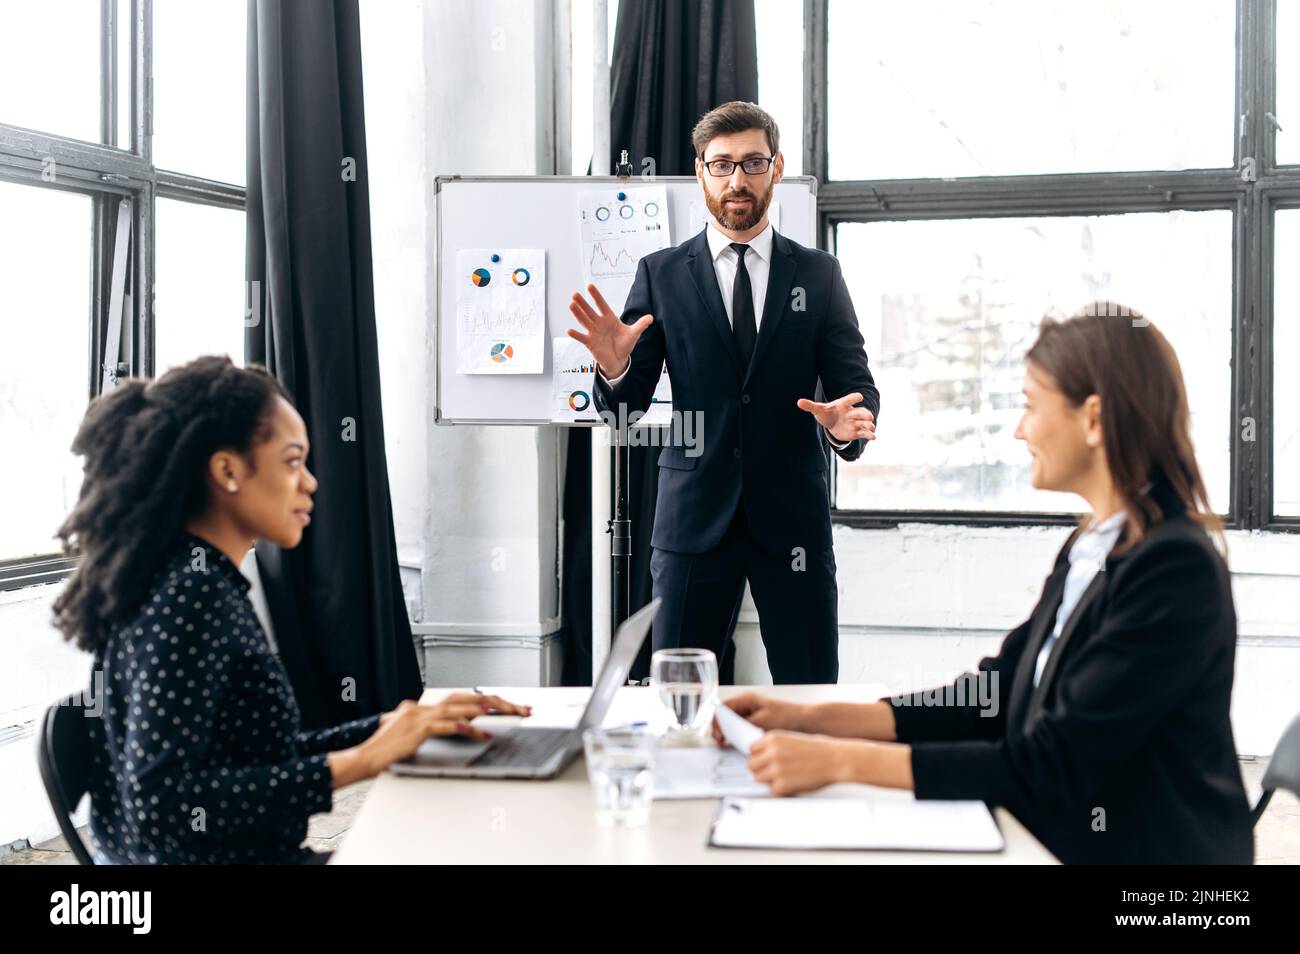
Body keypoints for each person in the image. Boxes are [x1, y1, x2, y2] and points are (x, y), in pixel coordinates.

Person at [716, 305, 1254, 864]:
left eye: (1030, 406)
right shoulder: (1095, 543)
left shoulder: (1173, 569)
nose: (1020, 429)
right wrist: (809, 719)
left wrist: (838, 763)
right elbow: (991, 697)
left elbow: (1052, 766)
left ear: (1093, 420)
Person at [53, 356, 529, 864]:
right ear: (228, 471)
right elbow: (161, 804)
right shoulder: (191, 597)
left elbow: (253, 758)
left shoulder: (197, 581)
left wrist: (397, 726)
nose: (310, 483)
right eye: (292, 461)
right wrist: (360, 761)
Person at [569, 101, 879, 684]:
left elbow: (855, 388)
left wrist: (846, 425)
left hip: (792, 522)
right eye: (721, 165)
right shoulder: (660, 273)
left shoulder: (818, 275)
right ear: (700, 173)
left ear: (777, 168)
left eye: (752, 162)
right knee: (678, 698)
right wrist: (614, 372)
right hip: (692, 520)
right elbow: (627, 409)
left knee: (808, 690)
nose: (737, 179)